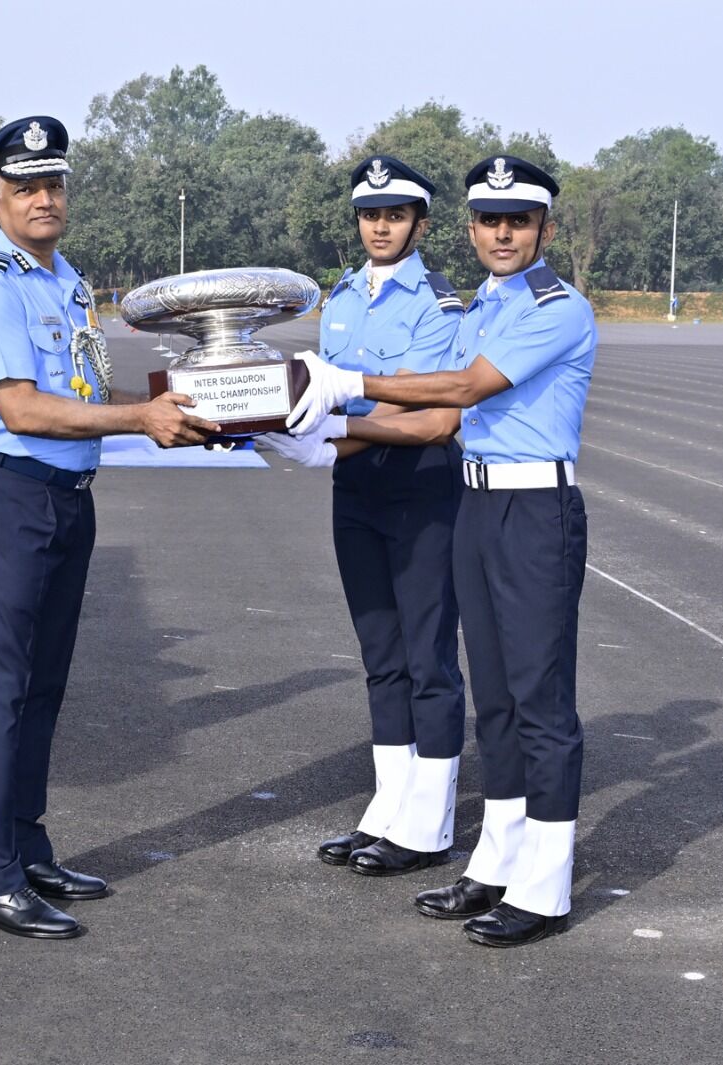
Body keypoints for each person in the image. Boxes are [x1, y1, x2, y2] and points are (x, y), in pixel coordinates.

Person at [287, 156, 595, 948]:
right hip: (477, 500)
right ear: (470, 229)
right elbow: (428, 396)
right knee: (493, 696)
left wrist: (340, 384)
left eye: (518, 221)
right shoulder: (482, 307)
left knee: (540, 700)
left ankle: (546, 882)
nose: (502, 233)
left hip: (534, 505)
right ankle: (496, 860)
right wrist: (315, 429)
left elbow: (460, 391)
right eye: (490, 221)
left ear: (543, 230)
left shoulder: (555, 307)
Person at [0, 116, 218, 939]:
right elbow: (21, 407)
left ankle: (26, 847)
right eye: (25, 187)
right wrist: (143, 417)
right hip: (9, 494)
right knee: (0, 690)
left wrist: (200, 398)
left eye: (54, 185)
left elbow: (87, 387)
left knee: (43, 685)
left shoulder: (65, 281)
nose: (43, 199)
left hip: (66, 499)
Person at [258, 155, 467, 877]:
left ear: (420, 223)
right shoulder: (341, 296)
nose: (381, 225)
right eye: (370, 213)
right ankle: (389, 807)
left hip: (420, 487)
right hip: (359, 487)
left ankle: (431, 821)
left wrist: (333, 434)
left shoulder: (438, 304)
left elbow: (416, 407)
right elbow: (322, 392)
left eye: (396, 214)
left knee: (428, 658)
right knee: (381, 654)